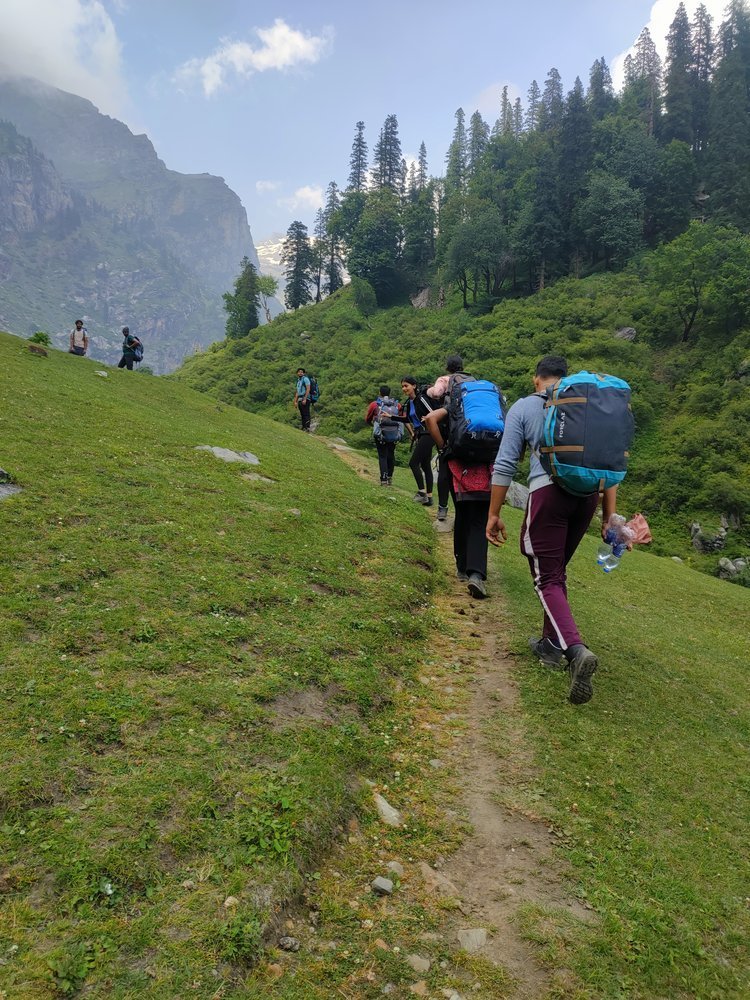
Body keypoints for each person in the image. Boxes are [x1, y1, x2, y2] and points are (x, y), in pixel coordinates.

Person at [485, 355, 621, 705]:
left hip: (548, 493)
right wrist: (609, 517)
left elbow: (504, 462)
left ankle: (575, 651)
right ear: (564, 378)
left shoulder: (525, 407)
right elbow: (609, 463)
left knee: (547, 578)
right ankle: (549, 646)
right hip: (587, 497)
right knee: (555, 572)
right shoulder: (586, 405)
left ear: (537, 380)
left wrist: (494, 513)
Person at [423, 404, 492, 599]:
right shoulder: (493, 407)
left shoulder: (455, 406)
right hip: (487, 467)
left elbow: (430, 419)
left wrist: (443, 447)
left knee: (462, 515)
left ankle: (462, 567)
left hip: (458, 467)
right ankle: (476, 573)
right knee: (479, 520)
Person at [427, 354, 471, 521]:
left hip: (450, 430)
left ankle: (443, 508)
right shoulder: (472, 380)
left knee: (445, 470)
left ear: (447, 367)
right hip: (468, 429)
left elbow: (436, 394)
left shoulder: (445, 379)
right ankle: (463, 510)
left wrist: (429, 390)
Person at [394, 376, 435, 506]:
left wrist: (427, 418)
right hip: (420, 434)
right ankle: (429, 497)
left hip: (428, 433)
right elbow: (409, 419)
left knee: (413, 463)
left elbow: (434, 413)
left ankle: (421, 493)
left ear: (414, 386)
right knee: (425, 465)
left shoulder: (421, 398)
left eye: (406, 386)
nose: (404, 388)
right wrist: (392, 417)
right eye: (402, 386)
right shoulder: (410, 402)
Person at [365, 385, 402, 485]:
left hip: (380, 434)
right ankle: (390, 477)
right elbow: (401, 418)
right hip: (394, 434)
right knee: (391, 454)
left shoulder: (375, 404)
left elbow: (367, 418)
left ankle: (384, 479)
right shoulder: (397, 405)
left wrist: (373, 424)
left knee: (382, 456)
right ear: (389, 393)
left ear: (380, 393)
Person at [294, 367, 312, 431]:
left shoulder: (306, 379)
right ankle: (303, 427)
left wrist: (305, 398)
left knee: (306, 413)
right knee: (302, 413)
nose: (300, 373)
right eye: (299, 372)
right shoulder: (298, 381)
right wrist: (295, 401)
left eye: (301, 372)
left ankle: (307, 427)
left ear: (303, 373)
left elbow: (308, 389)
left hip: (305, 398)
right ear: (297, 373)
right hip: (300, 399)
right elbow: (297, 391)